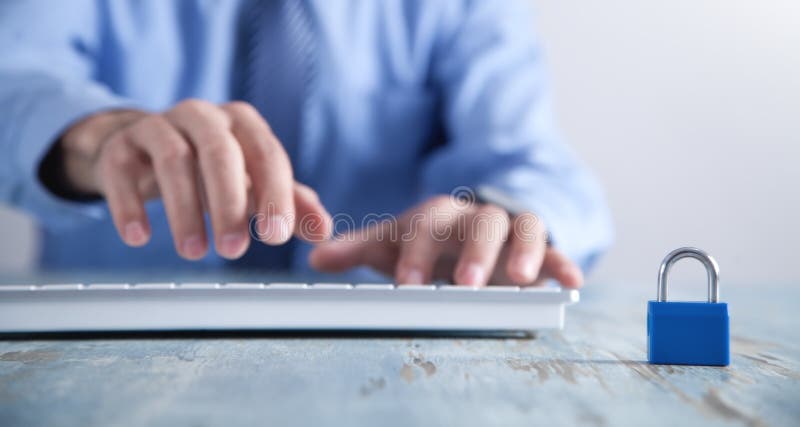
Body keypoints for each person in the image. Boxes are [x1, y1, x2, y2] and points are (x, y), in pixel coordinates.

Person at [0, 0, 612, 287]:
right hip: (99, 353)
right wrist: (99, 136)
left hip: (390, 356)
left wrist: (499, 219)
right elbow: (16, 79)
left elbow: (537, 164)